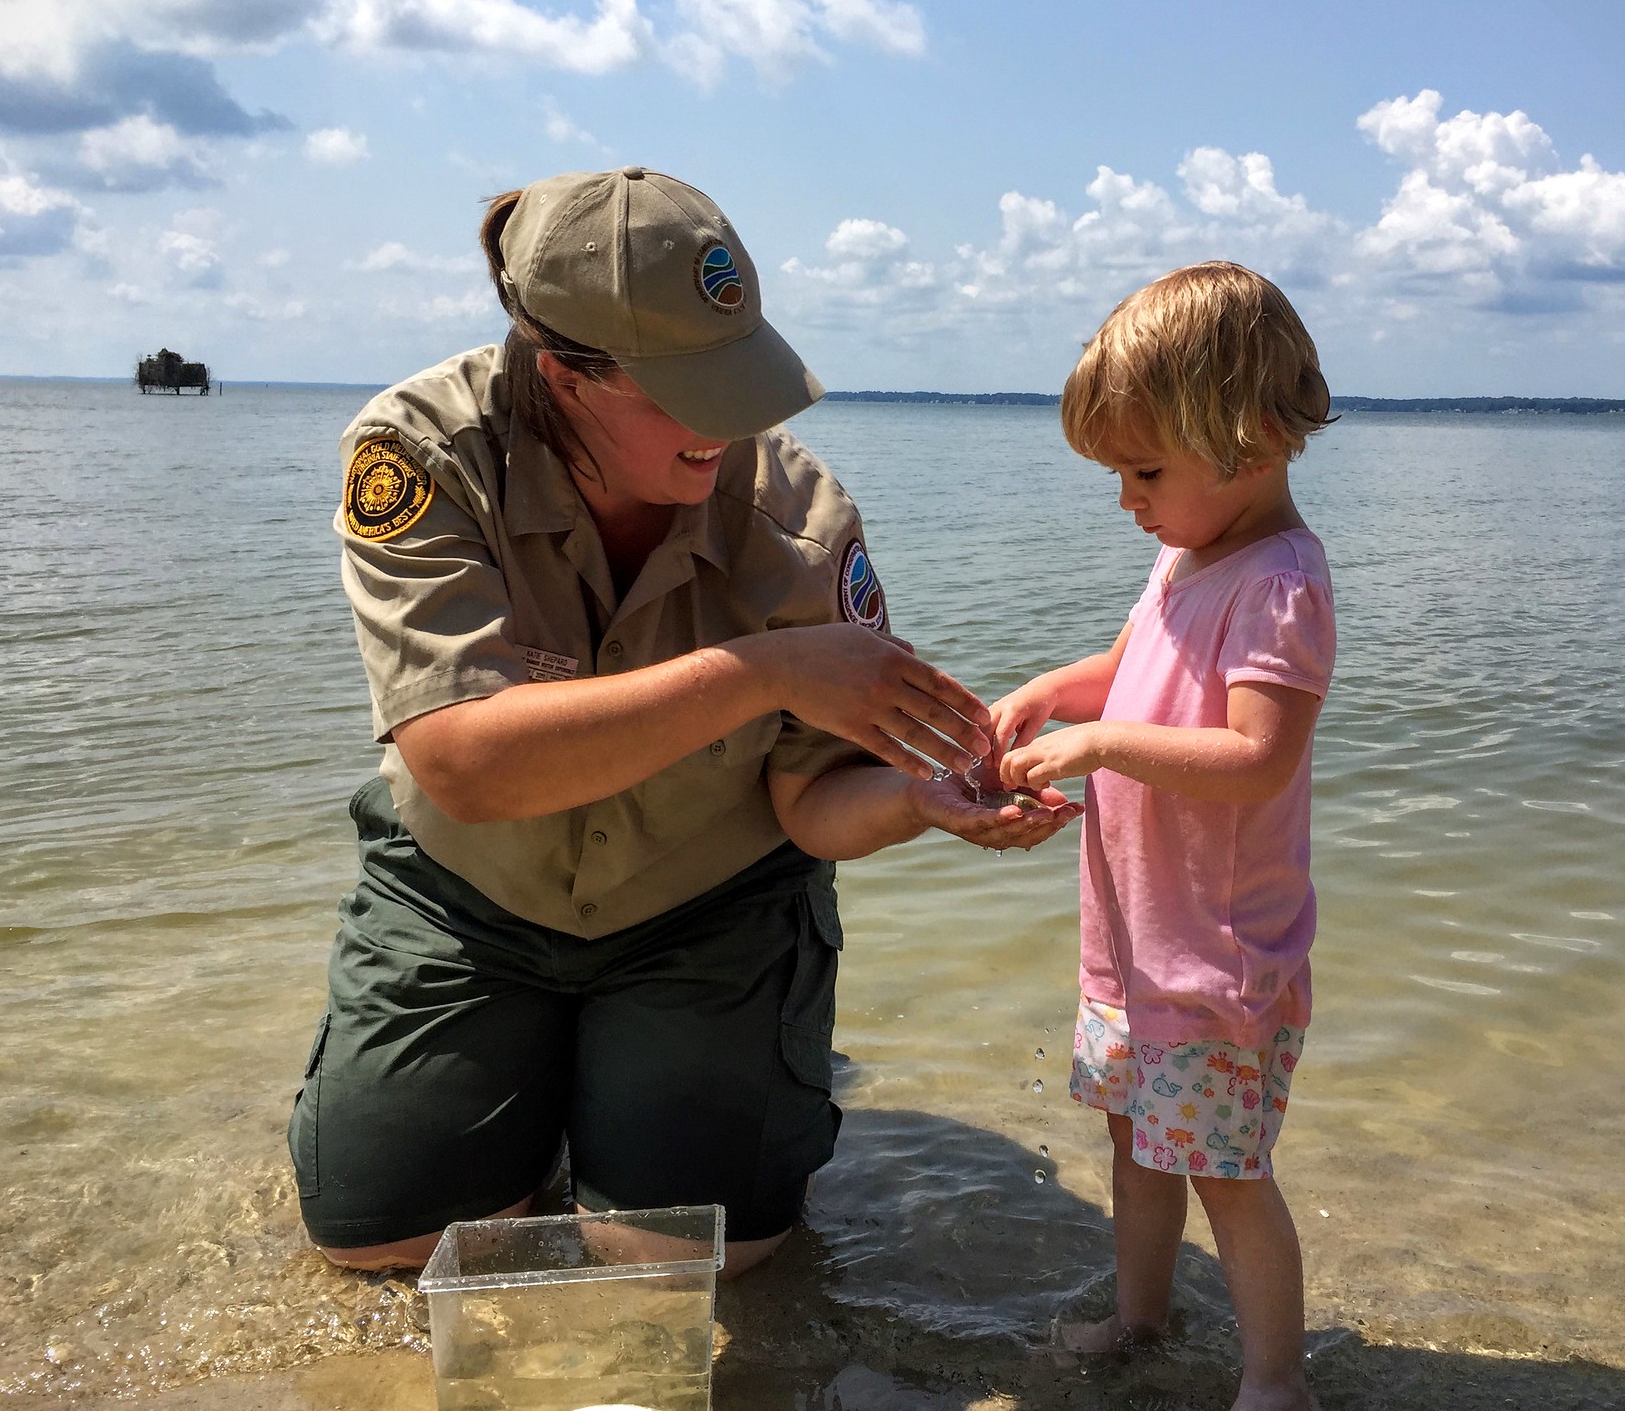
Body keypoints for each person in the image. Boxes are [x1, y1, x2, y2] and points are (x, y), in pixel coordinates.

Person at [288, 166, 1079, 1279]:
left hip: (707, 909)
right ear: (560, 371)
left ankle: (630, 1078)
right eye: (686, 390)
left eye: (739, 373)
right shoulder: (421, 454)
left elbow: (807, 806)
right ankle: (550, 1077)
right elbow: (462, 765)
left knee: (682, 1263)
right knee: (385, 1246)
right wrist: (763, 672)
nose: (734, 422)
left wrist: (917, 800)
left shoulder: (801, 521)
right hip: (469, 895)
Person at [992, 262, 1335, 1411]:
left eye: (1144, 470)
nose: (1126, 499)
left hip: (1215, 959)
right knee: (1137, 1150)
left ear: (1244, 445)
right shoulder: (1185, 555)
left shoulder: (1280, 583)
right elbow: (1142, 668)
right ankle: (1139, 1320)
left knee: (1229, 1178)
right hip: (1136, 949)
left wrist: (1097, 746)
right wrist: (1059, 687)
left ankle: (1272, 1381)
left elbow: (1256, 756)